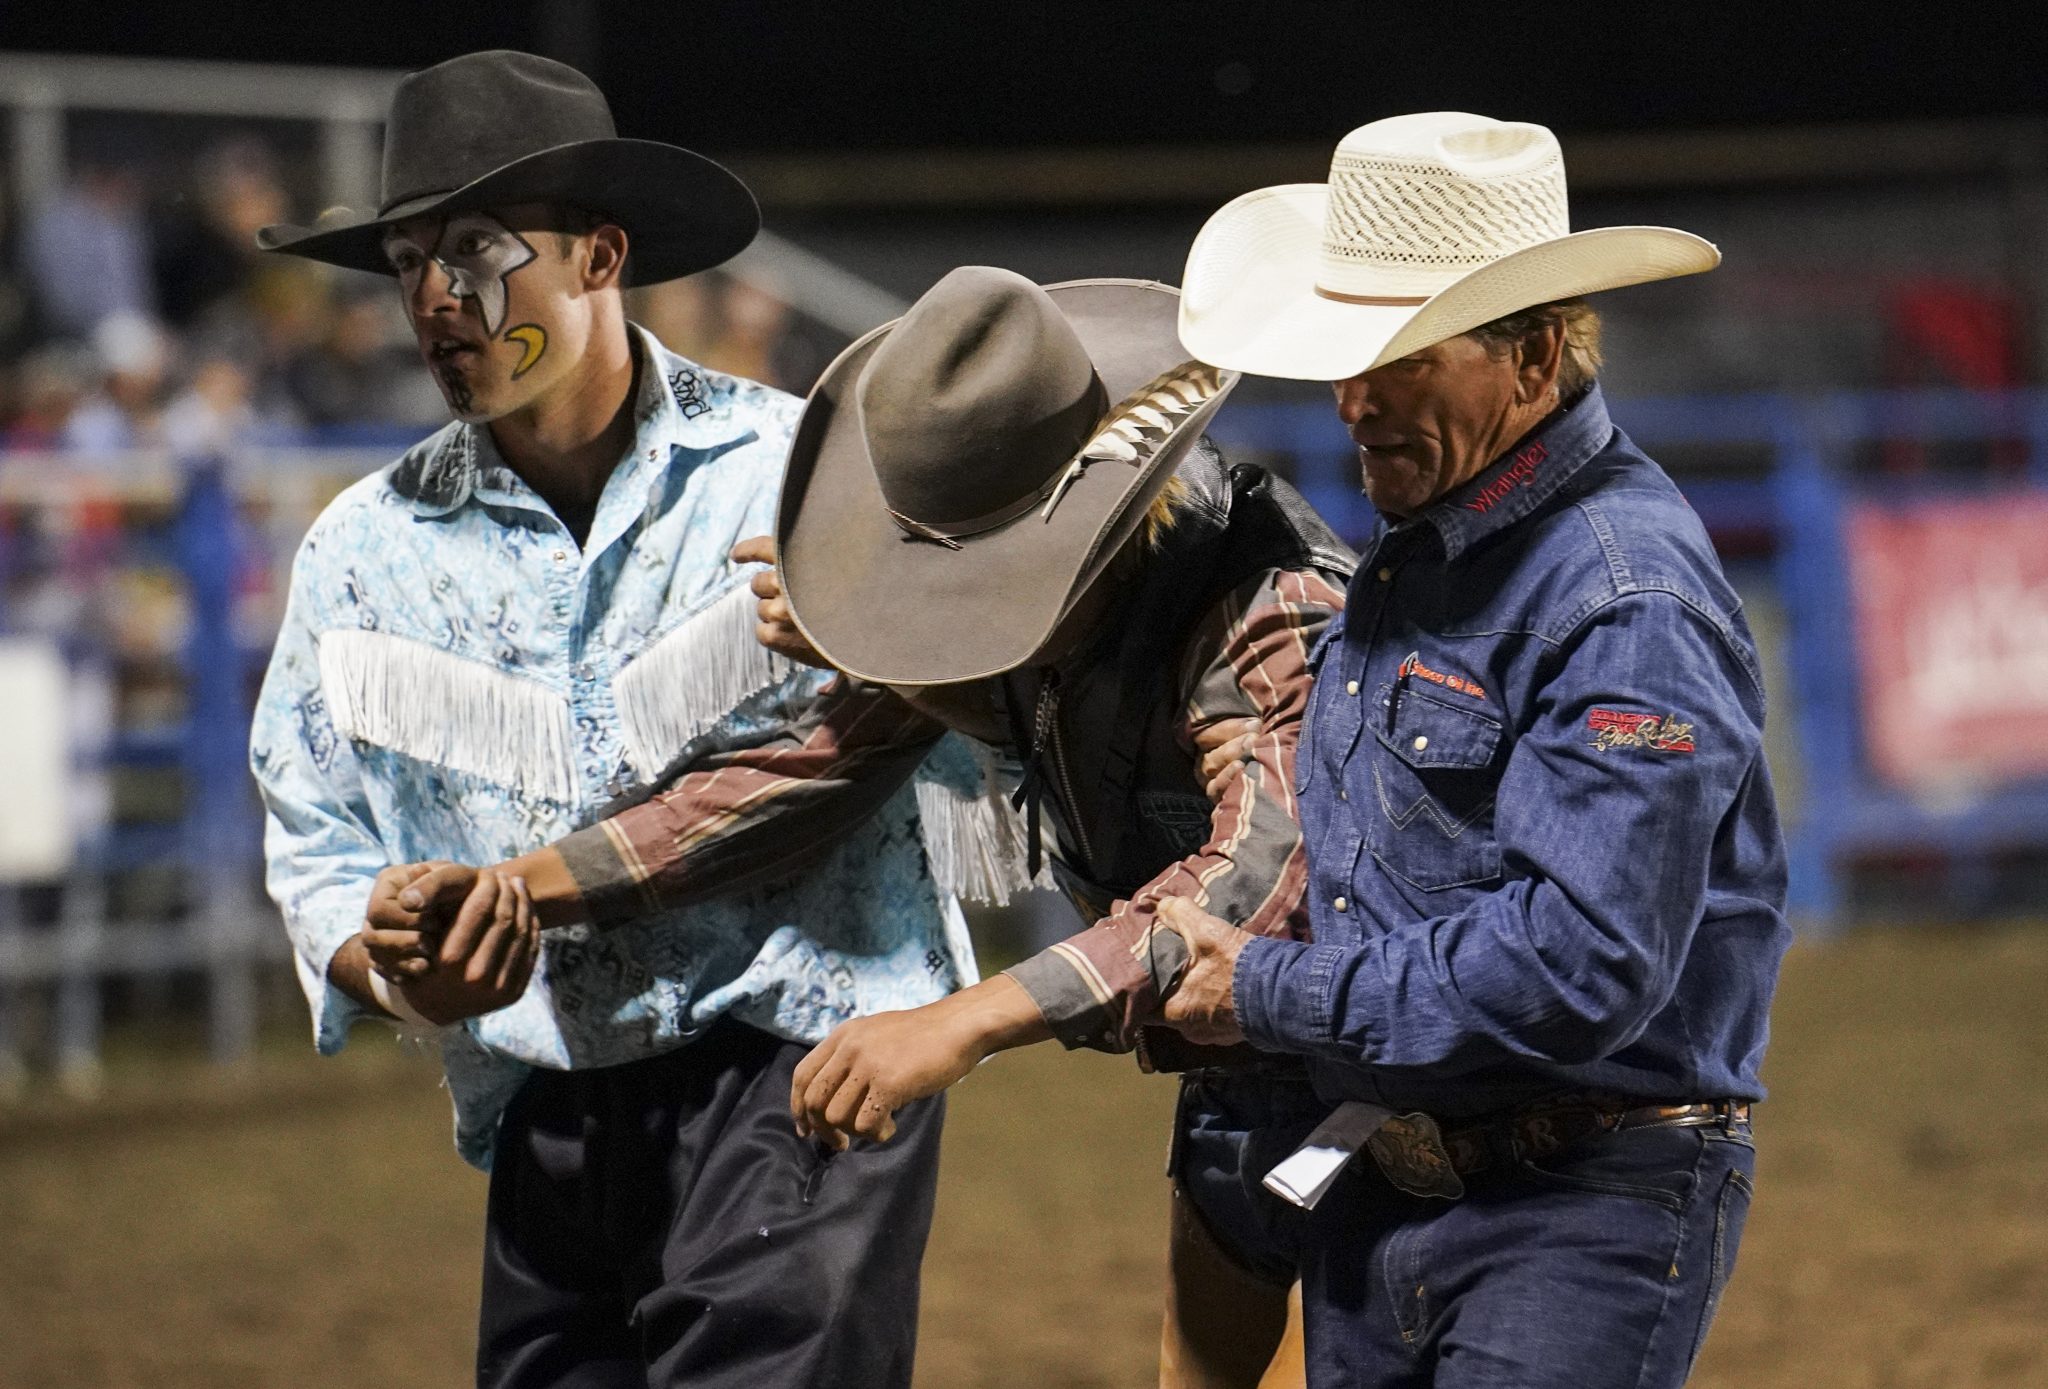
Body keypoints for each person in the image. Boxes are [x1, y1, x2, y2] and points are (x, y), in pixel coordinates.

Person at [249, 51, 987, 1389]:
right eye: (410, 259)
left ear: (599, 258)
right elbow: (315, 846)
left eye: (474, 252)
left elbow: (937, 732)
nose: (433, 299)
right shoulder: (361, 554)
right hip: (552, 1097)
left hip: (800, 1059)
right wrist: (397, 963)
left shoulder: (800, 476)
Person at [1147, 112, 1791, 1387]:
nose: (1352, 400)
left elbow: (1583, 962)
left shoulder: (1623, 598)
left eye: (1399, 357)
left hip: (1579, 1202)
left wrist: (1267, 995)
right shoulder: (1424, 546)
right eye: (1344, 356)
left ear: (1534, 354)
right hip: (1386, 1176)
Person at [754, 264, 1353, 1386]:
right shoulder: (1093, 613)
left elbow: (1260, 886)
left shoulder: (1271, 604)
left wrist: (966, 1021)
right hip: (1247, 1088)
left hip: (1382, 1091)